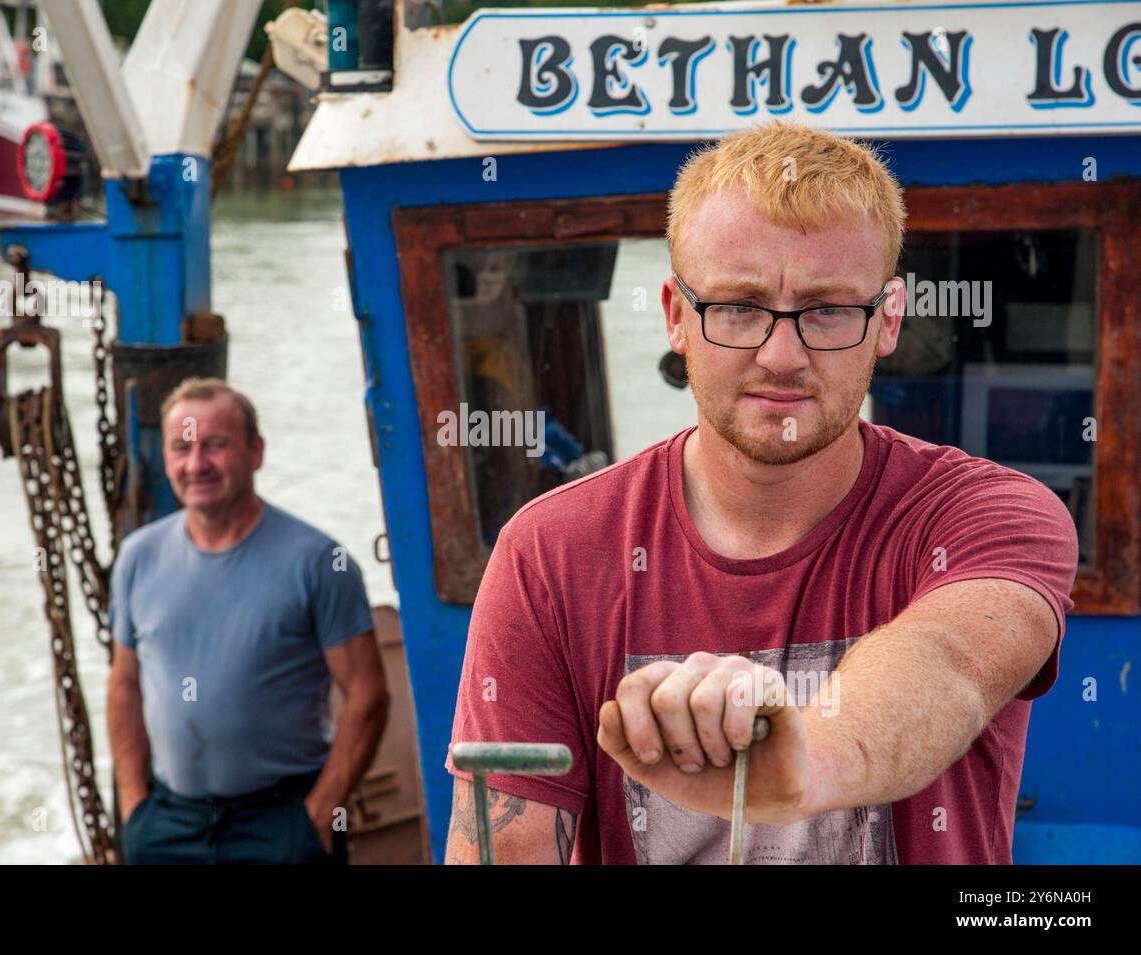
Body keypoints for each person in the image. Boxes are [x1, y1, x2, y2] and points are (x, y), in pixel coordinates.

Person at [444, 123, 1078, 865]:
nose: (782, 356)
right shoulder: (551, 552)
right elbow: (505, 848)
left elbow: (949, 666)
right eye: (739, 307)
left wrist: (797, 763)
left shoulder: (990, 516)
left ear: (889, 320)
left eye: (828, 310)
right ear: (677, 316)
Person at [108, 377, 388, 864]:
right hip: (168, 828)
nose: (197, 464)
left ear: (255, 452)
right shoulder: (137, 558)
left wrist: (320, 814)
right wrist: (135, 809)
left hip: (280, 822)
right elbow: (124, 686)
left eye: (215, 445)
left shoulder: (319, 562)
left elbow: (368, 694)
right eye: (182, 448)